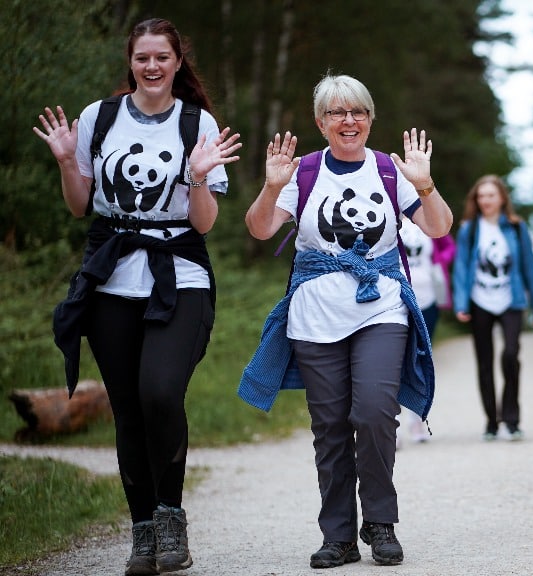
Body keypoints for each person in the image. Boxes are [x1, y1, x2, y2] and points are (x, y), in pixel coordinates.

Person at [35, 18, 241, 576]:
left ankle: (171, 514)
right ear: (131, 62)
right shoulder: (97, 118)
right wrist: (64, 162)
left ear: (178, 63)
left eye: (162, 58)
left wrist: (197, 177)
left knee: (160, 393)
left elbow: (204, 223)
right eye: (142, 57)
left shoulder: (198, 124)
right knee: (127, 409)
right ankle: (144, 530)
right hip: (111, 277)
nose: (152, 67)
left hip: (180, 273)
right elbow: (81, 206)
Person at [238, 74, 453, 568]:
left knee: (376, 413)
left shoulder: (390, 171)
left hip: (381, 305)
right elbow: (260, 227)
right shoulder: (304, 172)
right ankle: (337, 535)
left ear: (370, 119)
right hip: (314, 314)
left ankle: (380, 522)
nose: (348, 121)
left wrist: (425, 183)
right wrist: (272, 187)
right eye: (337, 113)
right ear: (321, 122)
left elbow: (438, 227)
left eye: (357, 111)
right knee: (330, 425)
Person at [451, 174, 533, 441]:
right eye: (481, 196)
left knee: (511, 355)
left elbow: (530, 269)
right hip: (479, 301)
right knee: (484, 362)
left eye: (491, 195)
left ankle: (512, 419)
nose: (485, 201)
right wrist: (461, 303)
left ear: (502, 198)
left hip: (511, 300)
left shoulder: (517, 228)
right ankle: (491, 422)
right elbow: (460, 269)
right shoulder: (470, 230)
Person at [398, 216, 455, 443]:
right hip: (395, 299)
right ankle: (392, 426)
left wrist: (438, 260)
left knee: (420, 361)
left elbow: (449, 246)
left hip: (428, 299)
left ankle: (417, 421)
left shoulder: (426, 216)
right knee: (393, 361)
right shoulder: (385, 214)